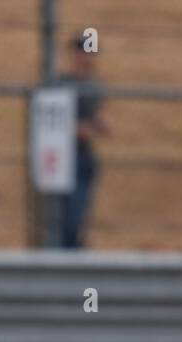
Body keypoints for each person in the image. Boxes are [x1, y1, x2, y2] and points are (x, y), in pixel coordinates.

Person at [59, 33, 109, 248]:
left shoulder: (94, 86)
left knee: (80, 214)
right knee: (64, 216)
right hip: (63, 156)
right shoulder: (61, 84)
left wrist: (97, 127)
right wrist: (79, 129)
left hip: (84, 154)